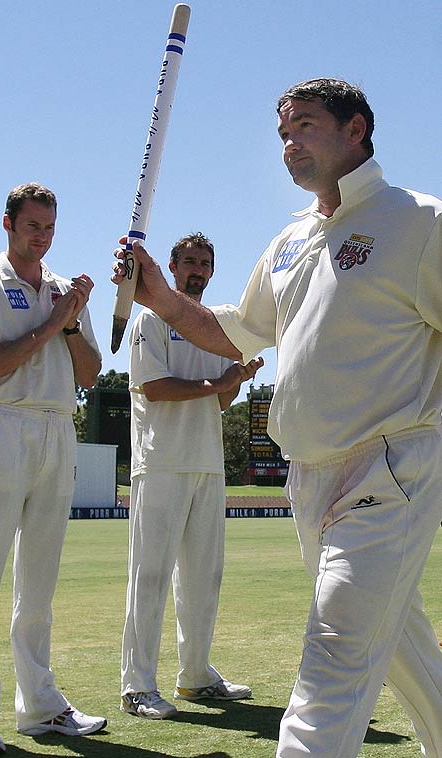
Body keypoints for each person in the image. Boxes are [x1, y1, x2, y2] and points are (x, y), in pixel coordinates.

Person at [112, 80, 442, 755]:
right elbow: (237, 330)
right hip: (309, 477)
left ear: (356, 130)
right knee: (401, 647)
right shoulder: (290, 239)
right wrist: (159, 296)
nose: (290, 143)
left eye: (306, 127)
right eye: (284, 133)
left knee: (333, 658)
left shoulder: (420, 222)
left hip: (392, 471)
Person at [0, 183, 106, 756]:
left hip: (58, 427)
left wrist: (68, 322)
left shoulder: (65, 291)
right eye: (32, 225)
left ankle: (39, 706)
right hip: (3, 425)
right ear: (8, 224)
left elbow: (89, 374)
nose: (42, 236)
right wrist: (52, 322)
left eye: (49, 227)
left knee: (38, 581)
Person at [119, 232, 263, 719]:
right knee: (151, 576)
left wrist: (235, 383)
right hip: (160, 461)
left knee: (204, 577)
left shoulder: (214, 325)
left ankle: (196, 676)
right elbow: (154, 388)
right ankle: (137, 686)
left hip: (206, 461)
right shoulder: (150, 317)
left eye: (205, 262)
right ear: (172, 268)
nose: (197, 270)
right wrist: (218, 383)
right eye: (189, 263)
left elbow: (220, 401)